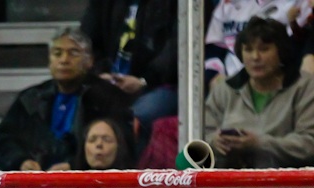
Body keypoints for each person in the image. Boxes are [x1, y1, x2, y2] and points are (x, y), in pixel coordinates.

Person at [0, 28, 134, 172]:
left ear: (89, 61)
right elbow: (5, 139)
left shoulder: (109, 97)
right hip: (36, 180)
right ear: (49, 61)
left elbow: (123, 146)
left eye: (73, 53)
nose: (64, 60)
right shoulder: (30, 98)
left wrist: (74, 166)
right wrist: (21, 161)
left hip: (89, 180)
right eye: (57, 53)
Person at [205, 16, 314, 168]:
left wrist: (258, 143)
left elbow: (309, 144)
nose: (255, 57)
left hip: (286, 178)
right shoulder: (224, 89)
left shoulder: (305, 86)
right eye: (248, 50)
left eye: (264, 49)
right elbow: (201, 135)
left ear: (281, 51)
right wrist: (214, 142)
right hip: (231, 176)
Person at [80, 0, 178, 144]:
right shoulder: (103, 4)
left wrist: (144, 80)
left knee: (135, 116)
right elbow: (87, 42)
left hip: (157, 84)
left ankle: (132, 158)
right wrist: (100, 73)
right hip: (107, 80)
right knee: (80, 105)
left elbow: (176, 49)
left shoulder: (173, 4)